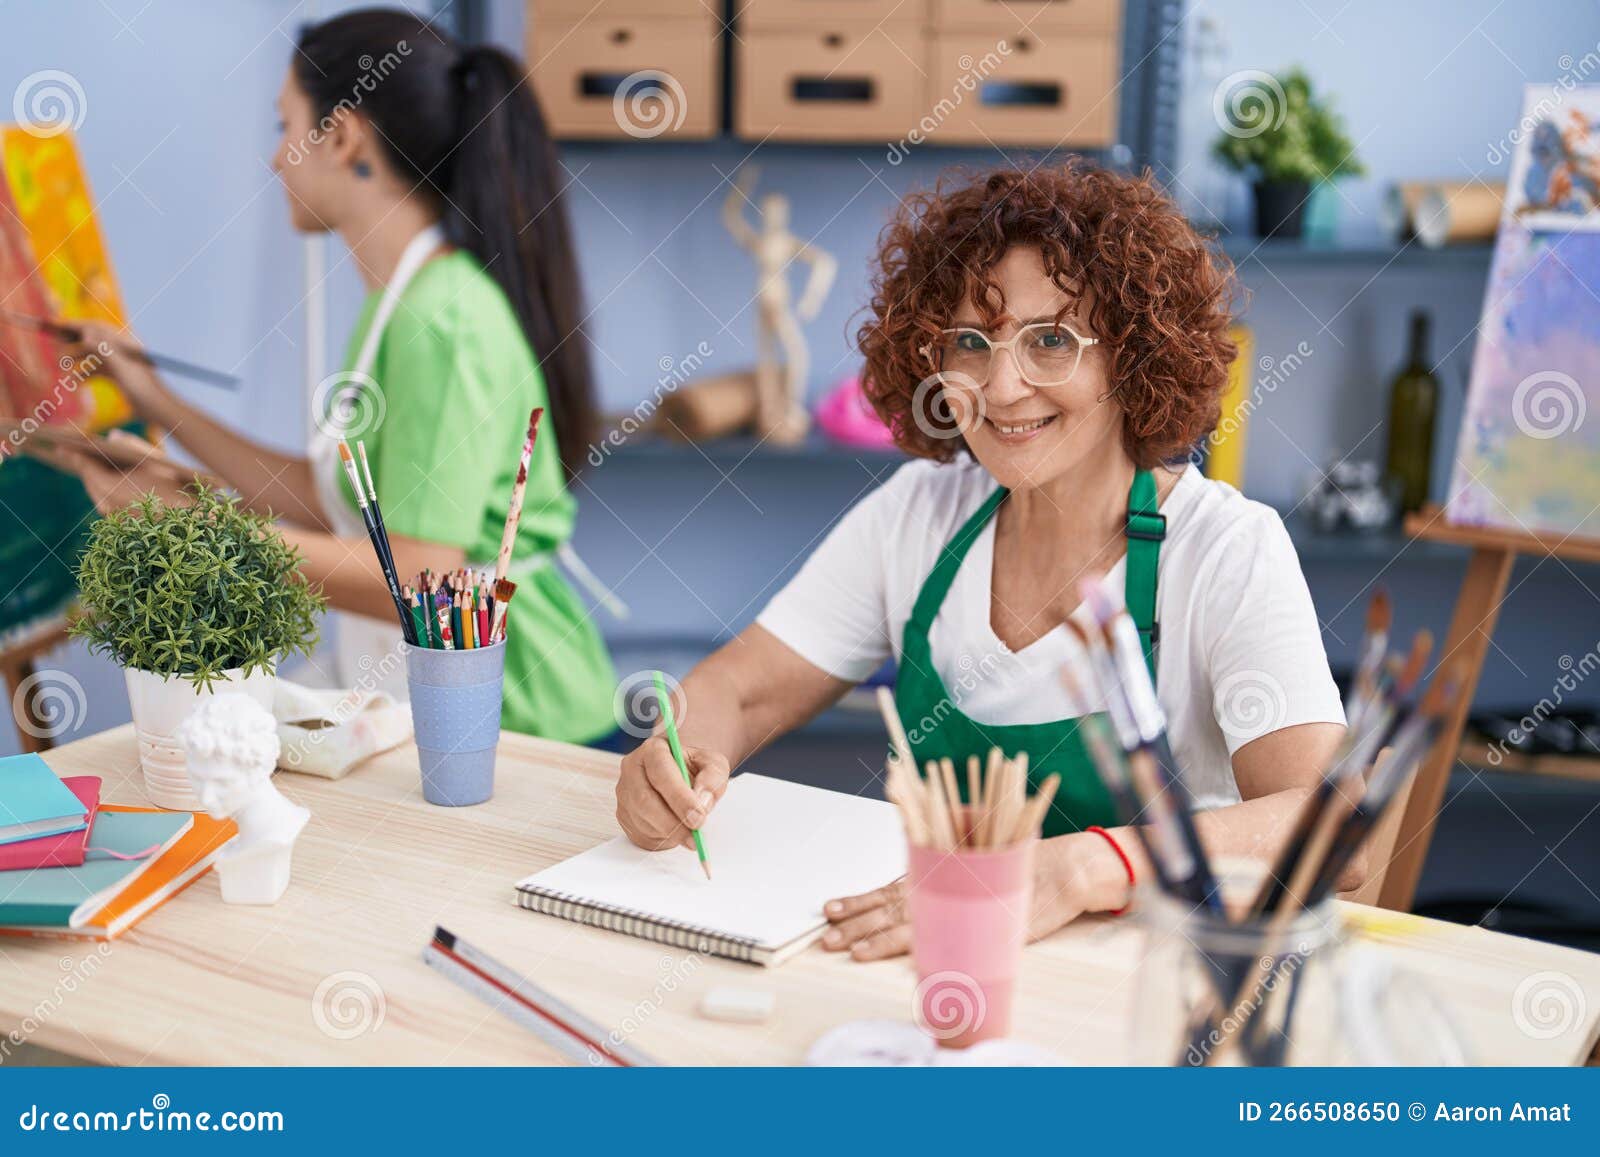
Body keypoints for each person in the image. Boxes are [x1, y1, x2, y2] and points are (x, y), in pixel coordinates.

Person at [615, 163, 1352, 959]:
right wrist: (675, 758)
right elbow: (743, 691)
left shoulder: (1225, 550)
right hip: (934, 969)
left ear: (1132, 358)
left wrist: (1080, 868)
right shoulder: (918, 513)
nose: (1001, 387)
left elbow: (1336, 831)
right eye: (971, 342)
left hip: (1151, 1004)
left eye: (1051, 341)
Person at [51, 8, 618, 746]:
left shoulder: (438, 321)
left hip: (526, 723)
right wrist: (155, 400)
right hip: (457, 708)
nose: (275, 157)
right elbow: (341, 509)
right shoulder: (400, 304)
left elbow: (422, 578)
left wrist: (202, 527)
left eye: (285, 127)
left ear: (343, 136)